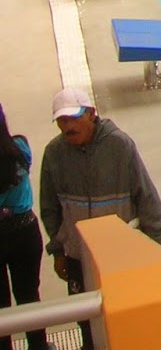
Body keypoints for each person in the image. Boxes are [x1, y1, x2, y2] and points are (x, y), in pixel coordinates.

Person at [39, 88, 161, 350]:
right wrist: (59, 251)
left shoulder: (119, 146)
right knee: (86, 322)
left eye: (74, 118)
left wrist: (150, 252)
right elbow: (49, 208)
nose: (68, 126)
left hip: (119, 260)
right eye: (62, 120)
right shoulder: (54, 153)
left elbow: (147, 199)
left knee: (124, 320)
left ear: (91, 114)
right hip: (78, 258)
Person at [0, 103, 46, 350]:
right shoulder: (20, 147)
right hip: (25, 232)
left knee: (0, 306)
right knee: (29, 296)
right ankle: (39, 346)